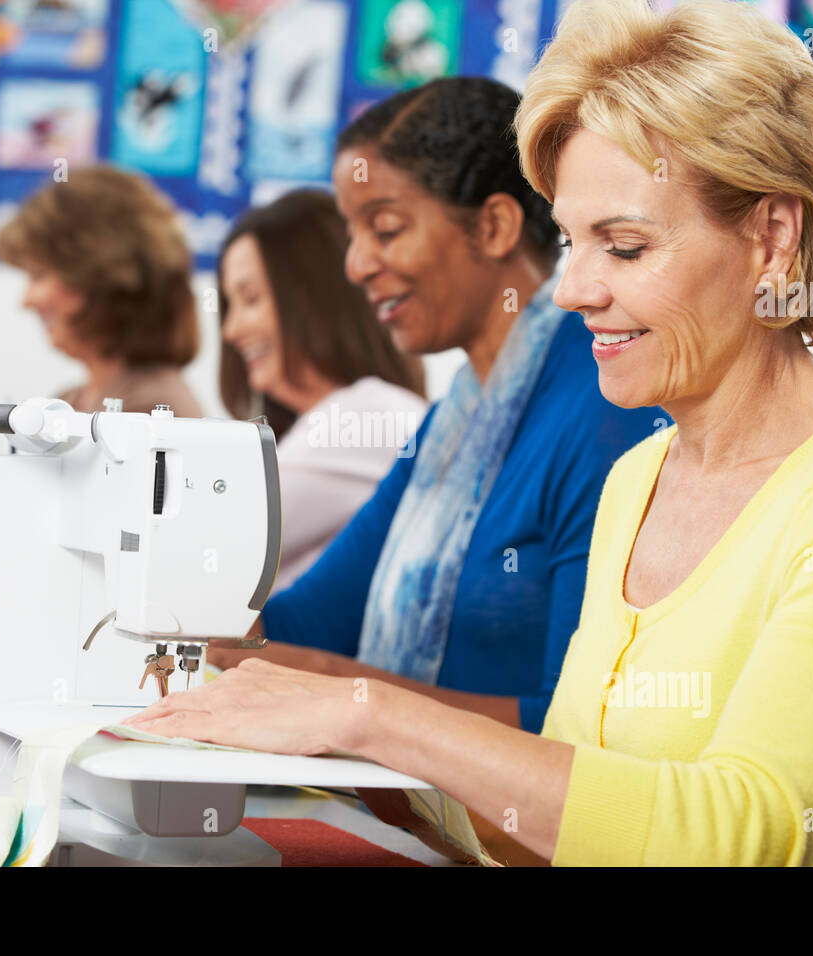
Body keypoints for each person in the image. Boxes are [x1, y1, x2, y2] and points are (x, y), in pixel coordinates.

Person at [128, 0, 813, 866]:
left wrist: (364, 713)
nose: (571, 289)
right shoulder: (640, 475)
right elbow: (565, 816)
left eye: (623, 246)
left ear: (772, 237)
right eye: (572, 241)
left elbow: (744, 835)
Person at [208, 77, 665, 735]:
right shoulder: (455, 424)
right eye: (352, 235)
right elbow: (305, 626)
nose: (357, 265)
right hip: (421, 821)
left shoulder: (606, 410)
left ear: (495, 226)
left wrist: (353, 698)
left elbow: (575, 727)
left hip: (503, 834)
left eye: (386, 229)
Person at [218, 190, 427, 591]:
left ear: (313, 297)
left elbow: (207, 532)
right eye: (229, 304)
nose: (231, 330)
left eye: (251, 299)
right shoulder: (351, 415)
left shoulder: (367, 415)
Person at [0, 164, 204, 417]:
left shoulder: (151, 411)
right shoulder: (69, 401)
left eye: (39, 275)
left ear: (98, 278)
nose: (25, 301)